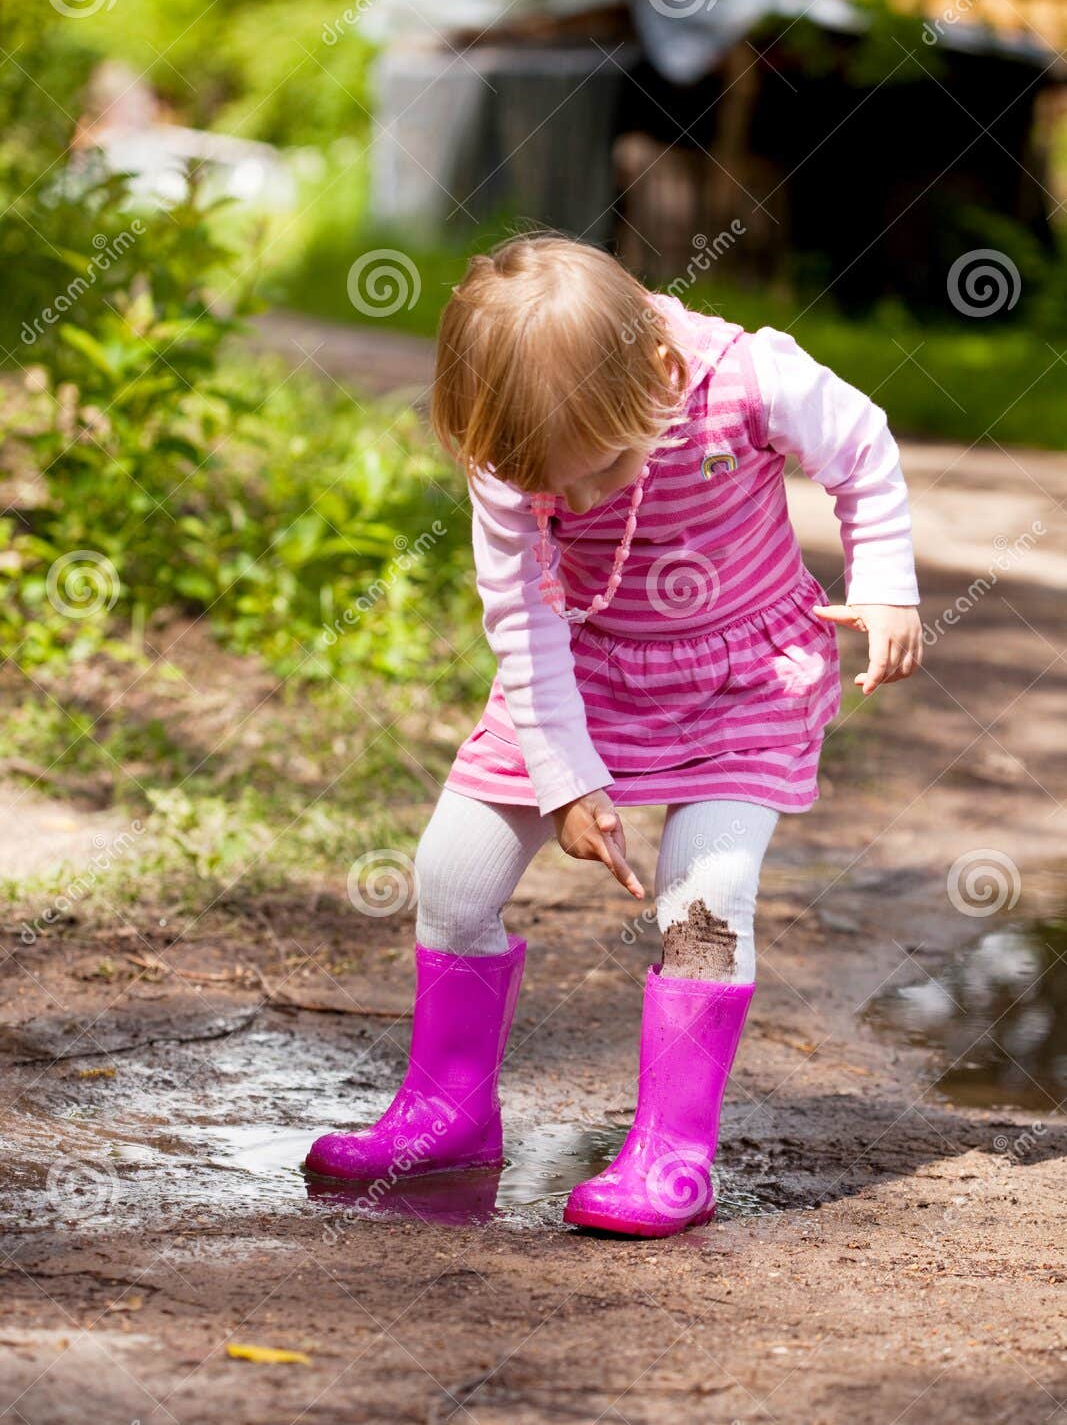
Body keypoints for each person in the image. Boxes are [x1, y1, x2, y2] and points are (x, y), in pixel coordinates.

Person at [306, 234, 922, 1237]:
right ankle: (445, 1110)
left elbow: (861, 448)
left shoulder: (744, 376)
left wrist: (885, 583)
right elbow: (522, 617)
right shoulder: (509, 454)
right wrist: (564, 781)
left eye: (602, 467)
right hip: (577, 673)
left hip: (738, 679)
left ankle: (672, 1150)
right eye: (554, 483)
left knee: (702, 898)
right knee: (451, 873)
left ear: (659, 377)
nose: (581, 501)